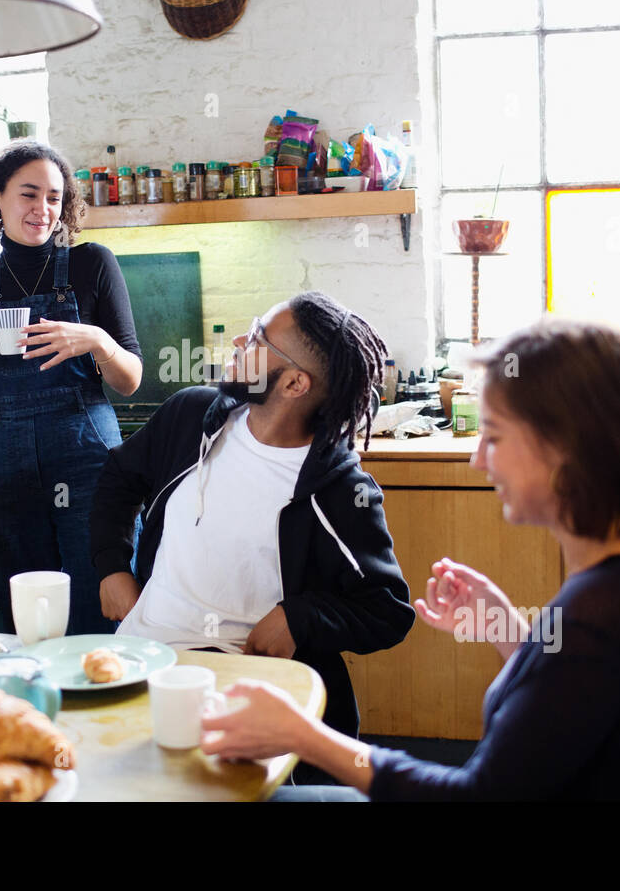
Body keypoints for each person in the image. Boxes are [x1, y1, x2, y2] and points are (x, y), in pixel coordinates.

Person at [199, 318, 620, 800]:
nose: (477, 458)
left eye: (494, 436)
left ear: (568, 449)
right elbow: (575, 710)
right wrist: (506, 628)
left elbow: (475, 797)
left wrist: (304, 736)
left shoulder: (605, 615)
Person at [90, 291, 415, 740]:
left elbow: (388, 610)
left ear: (295, 384)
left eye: (260, 338)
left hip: (248, 683)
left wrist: (299, 619)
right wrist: (111, 566)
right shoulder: (191, 416)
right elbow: (119, 477)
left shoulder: (340, 490)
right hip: (146, 657)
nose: (243, 338)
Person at [0, 141, 142, 636]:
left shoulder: (91, 263)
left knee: (102, 599)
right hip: (7, 463)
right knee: (23, 611)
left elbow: (131, 380)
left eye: (54, 198)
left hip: (85, 454)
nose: (43, 209)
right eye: (29, 194)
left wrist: (94, 340)